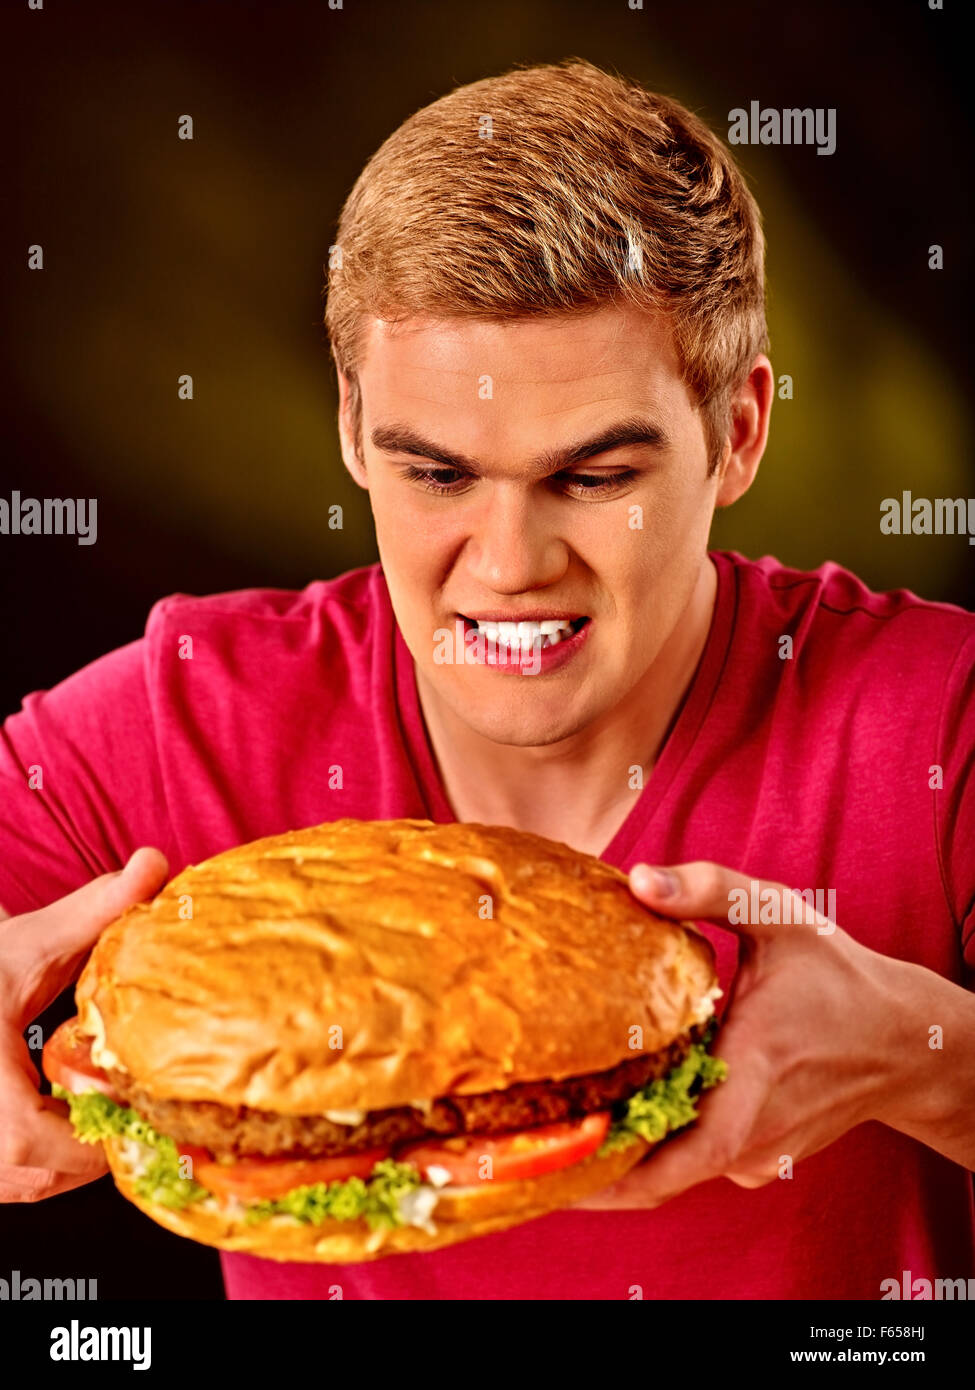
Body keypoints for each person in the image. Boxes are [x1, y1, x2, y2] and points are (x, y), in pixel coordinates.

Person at [1, 58, 972, 1301]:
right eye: (440, 476)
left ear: (738, 431)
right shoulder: (189, 709)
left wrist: (924, 1052)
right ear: (354, 428)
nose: (509, 566)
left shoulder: (936, 716)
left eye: (596, 476)